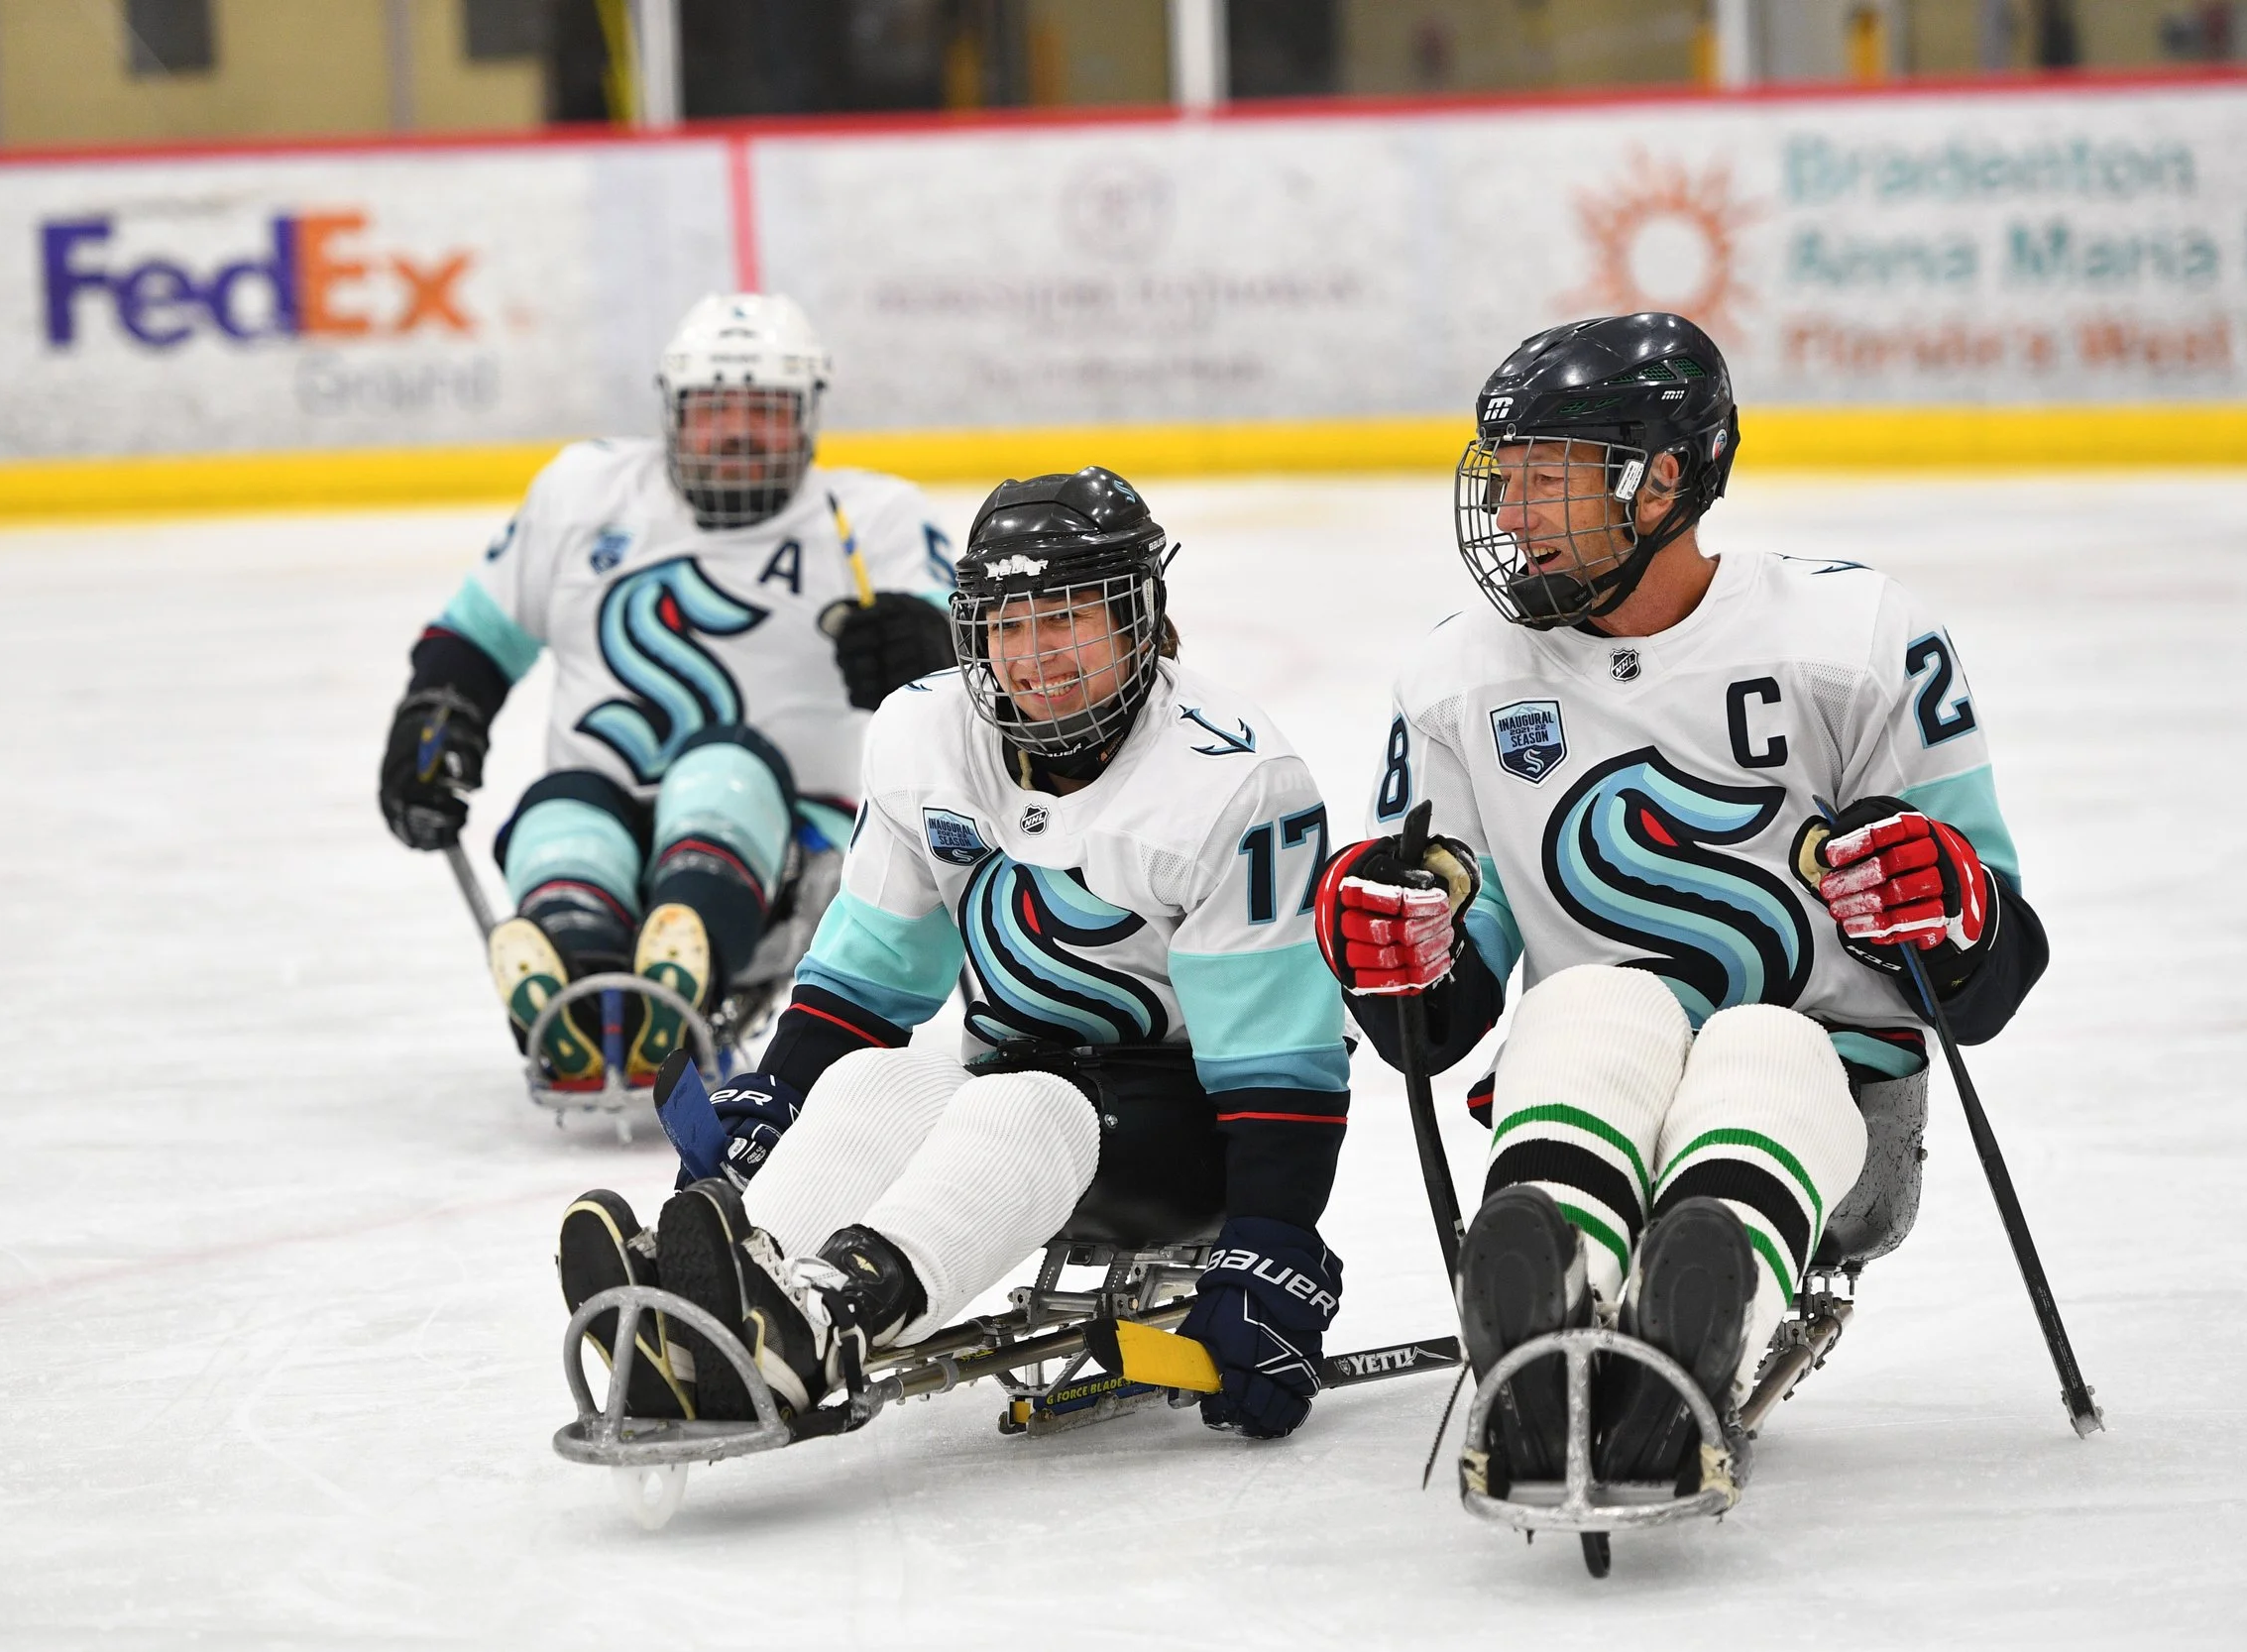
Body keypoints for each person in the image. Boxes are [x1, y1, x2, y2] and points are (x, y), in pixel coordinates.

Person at [1311, 312, 2048, 1490]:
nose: (1507, 517)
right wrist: (1391, 948)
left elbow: (1990, 983)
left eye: (1546, 480)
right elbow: (1440, 1023)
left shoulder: (1853, 639)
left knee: (1762, 1038)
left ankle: (1688, 1294)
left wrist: (1949, 904)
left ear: (1662, 479)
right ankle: (1555, 1282)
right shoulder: (1456, 676)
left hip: (1836, 1101)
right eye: (1502, 481)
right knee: (1595, 1004)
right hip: (1593, 1079)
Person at [557, 467, 1352, 1440]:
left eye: (1066, 617)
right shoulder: (921, 731)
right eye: (1006, 624)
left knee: (1020, 1099)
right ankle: (715, 1301)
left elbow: (1279, 1064)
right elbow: (867, 980)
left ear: (1140, 614)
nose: (1032, 655)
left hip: (1190, 1123)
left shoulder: (1236, 780)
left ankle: (829, 1319)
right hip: (1009, 1071)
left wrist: (1272, 1240)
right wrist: (776, 1096)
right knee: (878, 1081)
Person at [378, 293, 959, 1086]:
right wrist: (437, 713)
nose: (738, 433)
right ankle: (579, 981)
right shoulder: (583, 490)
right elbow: (476, 638)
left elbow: (977, 681)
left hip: (790, 845)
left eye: (767, 409)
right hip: (608, 802)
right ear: (672, 409)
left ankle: (672, 965)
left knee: (723, 768)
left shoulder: (875, 518)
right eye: (713, 407)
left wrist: (924, 652)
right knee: (561, 810)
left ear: (810, 416)